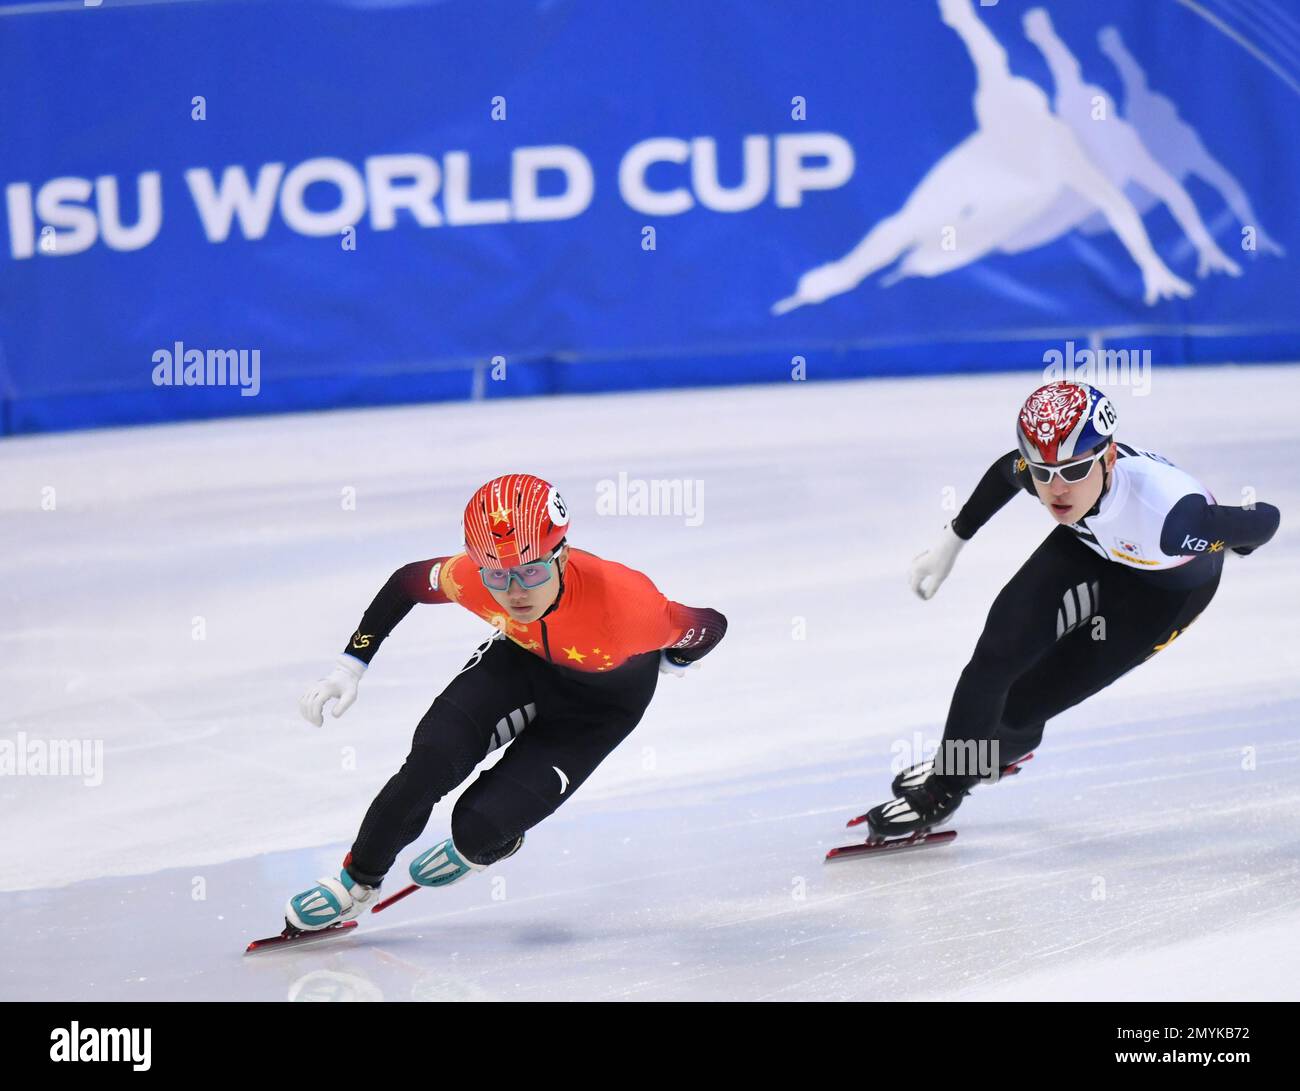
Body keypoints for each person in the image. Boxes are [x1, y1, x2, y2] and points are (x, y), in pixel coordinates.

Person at [285, 473, 727, 930]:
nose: (515, 592)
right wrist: (350, 666)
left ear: (564, 555)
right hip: (521, 664)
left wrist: (674, 659)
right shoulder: (470, 579)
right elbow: (405, 584)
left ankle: (486, 845)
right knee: (429, 762)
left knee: (476, 830)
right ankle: (356, 884)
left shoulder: (631, 607)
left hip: (599, 711)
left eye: (532, 570)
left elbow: (710, 625)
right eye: (497, 575)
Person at [864, 380, 1280, 839]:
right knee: (997, 654)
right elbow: (1007, 471)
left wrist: (1235, 540)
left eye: (1075, 471)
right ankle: (946, 784)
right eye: (1043, 473)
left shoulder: (1172, 521)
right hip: (1093, 548)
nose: (1056, 490)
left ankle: (991, 752)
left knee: (1023, 709)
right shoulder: (1050, 474)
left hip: (1162, 595)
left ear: (1109, 457)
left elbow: (1266, 520)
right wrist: (952, 539)